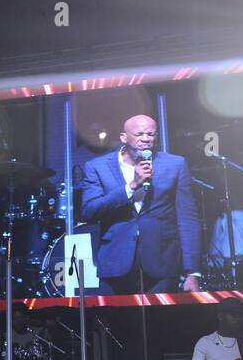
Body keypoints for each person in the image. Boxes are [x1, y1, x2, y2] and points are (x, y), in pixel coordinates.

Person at [78, 114, 202, 294]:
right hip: (116, 261)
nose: (146, 139)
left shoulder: (175, 164)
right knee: (120, 320)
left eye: (151, 135)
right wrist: (131, 186)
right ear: (124, 137)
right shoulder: (97, 166)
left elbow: (187, 219)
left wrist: (193, 272)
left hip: (162, 261)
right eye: (139, 134)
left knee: (161, 320)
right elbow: (89, 211)